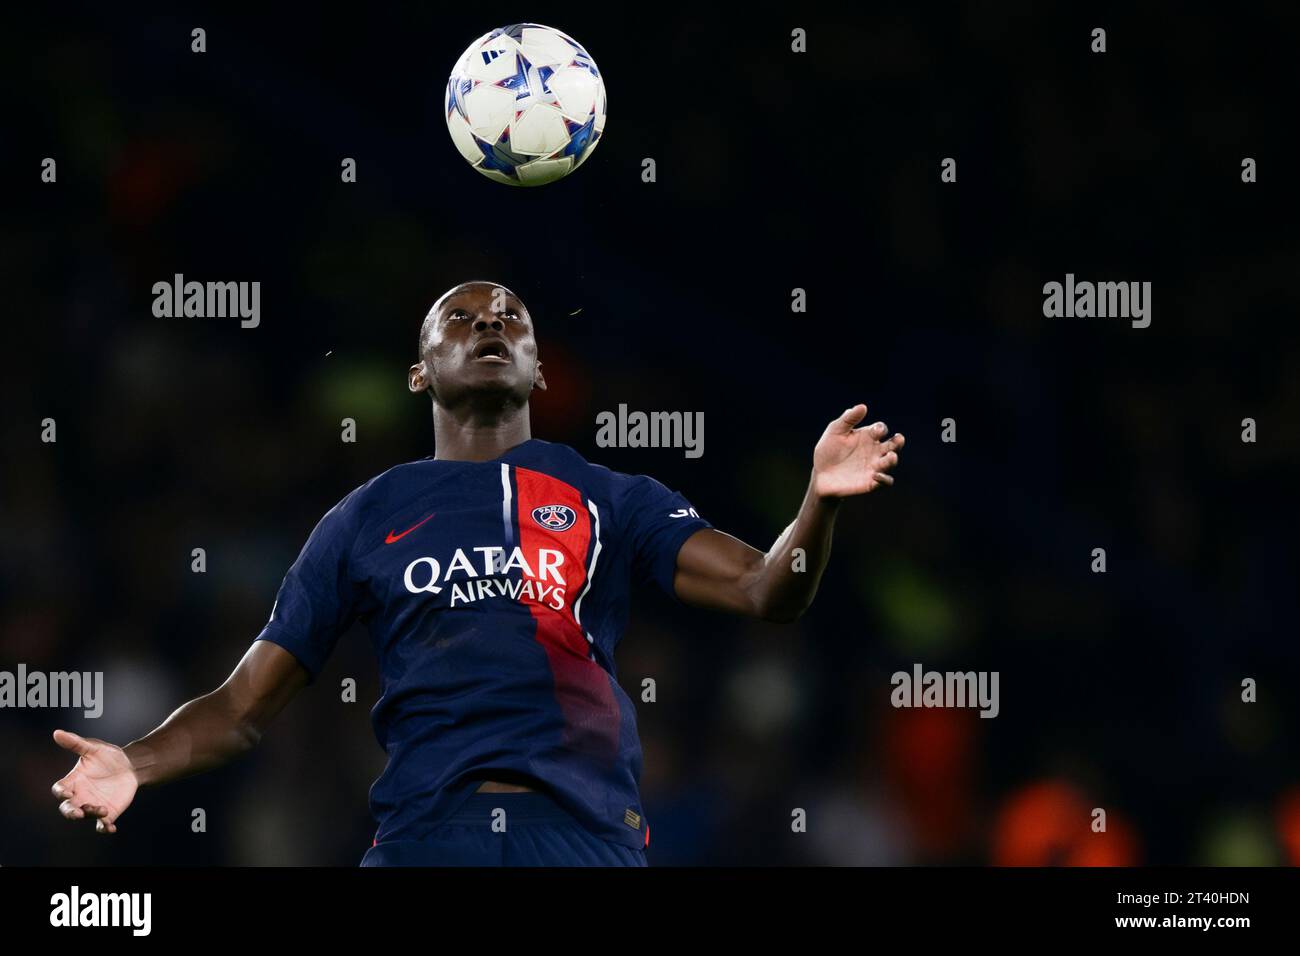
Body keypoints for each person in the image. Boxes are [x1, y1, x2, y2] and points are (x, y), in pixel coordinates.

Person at [51, 280, 905, 866]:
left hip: (583, 834)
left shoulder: (610, 496)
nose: (490, 323)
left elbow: (767, 591)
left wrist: (817, 504)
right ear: (421, 372)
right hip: (428, 834)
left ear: (536, 366)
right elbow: (241, 707)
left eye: (509, 318)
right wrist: (136, 762)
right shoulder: (365, 516)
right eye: (460, 319)